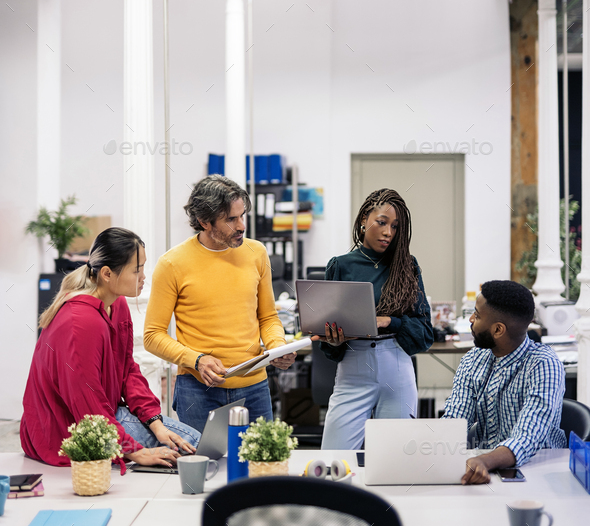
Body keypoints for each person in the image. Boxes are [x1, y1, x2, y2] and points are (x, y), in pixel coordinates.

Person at [21, 227, 200, 469]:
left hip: (103, 415)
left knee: (187, 444)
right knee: (191, 446)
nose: (143, 276)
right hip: (66, 429)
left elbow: (127, 370)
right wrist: (135, 452)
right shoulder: (81, 322)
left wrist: (155, 422)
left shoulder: (118, 304)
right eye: (136, 270)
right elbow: (87, 403)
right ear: (107, 273)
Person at [144, 175, 296, 435]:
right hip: (198, 391)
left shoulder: (256, 253)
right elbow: (152, 336)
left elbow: (268, 317)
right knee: (204, 471)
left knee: (262, 470)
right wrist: (196, 359)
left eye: (243, 215)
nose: (242, 226)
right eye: (231, 219)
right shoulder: (172, 264)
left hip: (255, 387)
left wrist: (277, 347)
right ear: (204, 221)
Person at [317, 188, 433, 450]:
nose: (388, 232)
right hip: (354, 369)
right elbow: (328, 342)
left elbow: (425, 333)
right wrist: (334, 340)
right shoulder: (341, 265)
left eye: (395, 226)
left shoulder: (407, 266)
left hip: (397, 367)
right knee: (333, 459)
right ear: (363, 220)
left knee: (395, 462)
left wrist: (389, 321)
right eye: (381, 222)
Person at [443, 280, 567, 485]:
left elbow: (528, 437)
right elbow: (456, 421)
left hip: (541, 473)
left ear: (498, 330)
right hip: (483, 470)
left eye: (477, 315)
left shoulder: (544, 364)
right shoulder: (473, 358)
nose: (471, 319)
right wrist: (426, 446)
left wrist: (484, 460)